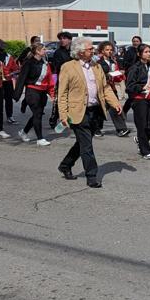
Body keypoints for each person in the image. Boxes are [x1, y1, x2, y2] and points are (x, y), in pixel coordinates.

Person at [56, 37, 122, 188]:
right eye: (89, 49)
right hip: (77, 112)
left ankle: (66, 165)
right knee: (87, 145)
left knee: (82, 143)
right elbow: (62, 93)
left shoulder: (96, 66)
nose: (93, 51)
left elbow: (104, 88)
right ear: (79, 52)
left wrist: (115, 103)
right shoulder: (68, 67)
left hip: (95, 111)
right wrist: (63, 114)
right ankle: (92, 176)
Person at [126, 44, 150, 159]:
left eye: (149, 51)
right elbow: (129, 87)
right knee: (142, 126)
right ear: (139, 54)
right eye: (146, 52)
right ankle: (145, 151)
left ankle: (140, 140)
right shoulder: (135, 68)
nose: (149, 54)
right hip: (139, 100)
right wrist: (142, 87)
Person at [13, 43, 54, 146]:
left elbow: (49, 80)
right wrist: (17, 94)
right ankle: (40, 139)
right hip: (32, 91)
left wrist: (52, 94)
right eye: (44, 49)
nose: (46, 51)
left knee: (38, 114)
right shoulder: (28, 63)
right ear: (37, 51)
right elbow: (21, 79)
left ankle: (24, 132)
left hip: (42, 92)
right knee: (37, 114)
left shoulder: (46, 63)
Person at [96, 41, 130, 137]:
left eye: (111, 50)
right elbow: (97, 75)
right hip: (102, 88)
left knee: (115, 107)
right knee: (101, 109)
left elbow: (117, 75)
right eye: (107, 50)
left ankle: (121, 129)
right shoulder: (98, 62)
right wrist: (107, 75)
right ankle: (97, 128)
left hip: (112, 87)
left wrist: (120, 73)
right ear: (102, 51)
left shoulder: (114, 61)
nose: (109, 51)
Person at [48, 31, 74, 127]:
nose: (62, 40)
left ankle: (70, 120)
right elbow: (56, 67)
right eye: (60, 39)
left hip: (73, 80)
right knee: (59, 100)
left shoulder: (73, 51)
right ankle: (54, 118)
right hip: (62, 79)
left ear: (70, 40)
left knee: (72, 101)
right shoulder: (58, 52)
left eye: (64, 38)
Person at [0, 40, 20, 125]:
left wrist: (13, 72)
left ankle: (10, 116)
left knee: (9, 99)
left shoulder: (9, 57)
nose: (3, 45)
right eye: (1, 44)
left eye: (3, 44)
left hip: (7, 81)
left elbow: (15, 68)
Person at [120, 35, 142, 115]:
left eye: (137, 41)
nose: (135, 43)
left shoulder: (143, 50)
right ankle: (124, 111)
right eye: (134, 41)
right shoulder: (129, 51)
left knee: (139, 95)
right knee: (132, 95)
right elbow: (125, 62)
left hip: (141, 76)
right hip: (131, 75)